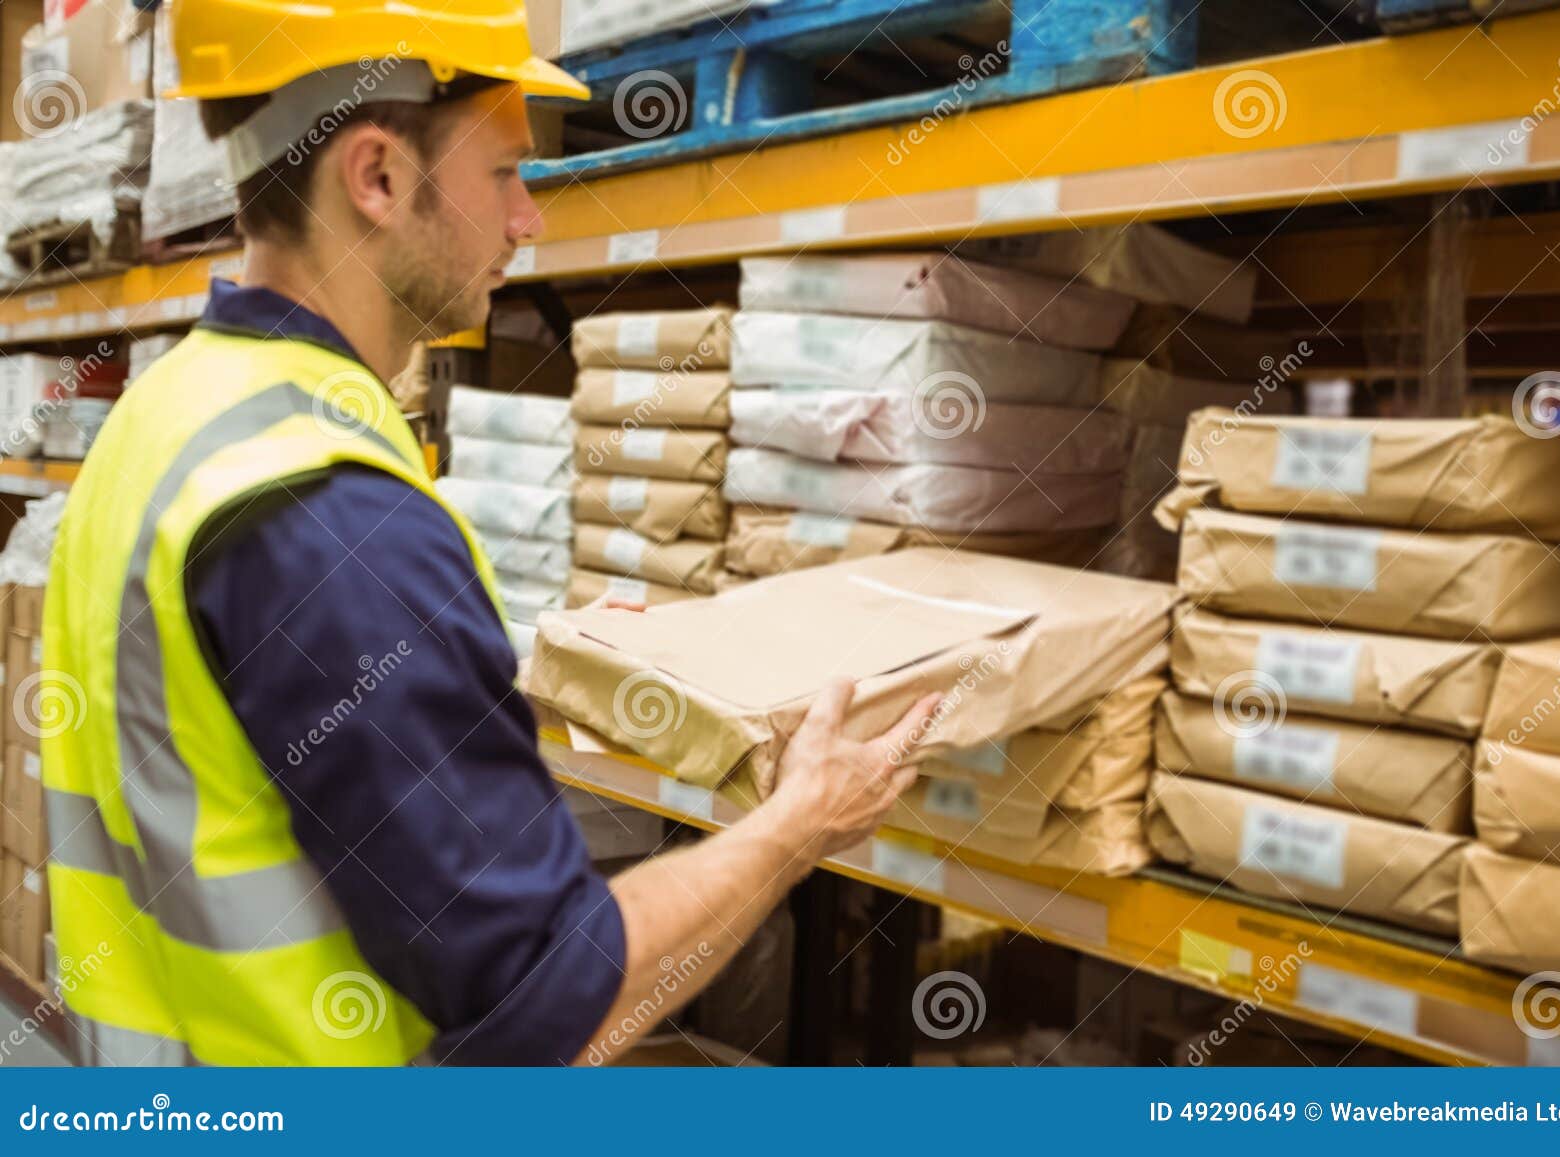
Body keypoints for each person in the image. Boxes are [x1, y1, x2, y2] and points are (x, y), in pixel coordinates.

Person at [41, 0, 940, 1066]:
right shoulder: (330, 513)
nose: (530, 219)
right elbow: (547, 1006)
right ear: (375, 176)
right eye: (506, 172)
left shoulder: (171, 418)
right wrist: (796, 826)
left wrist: (480, 667)